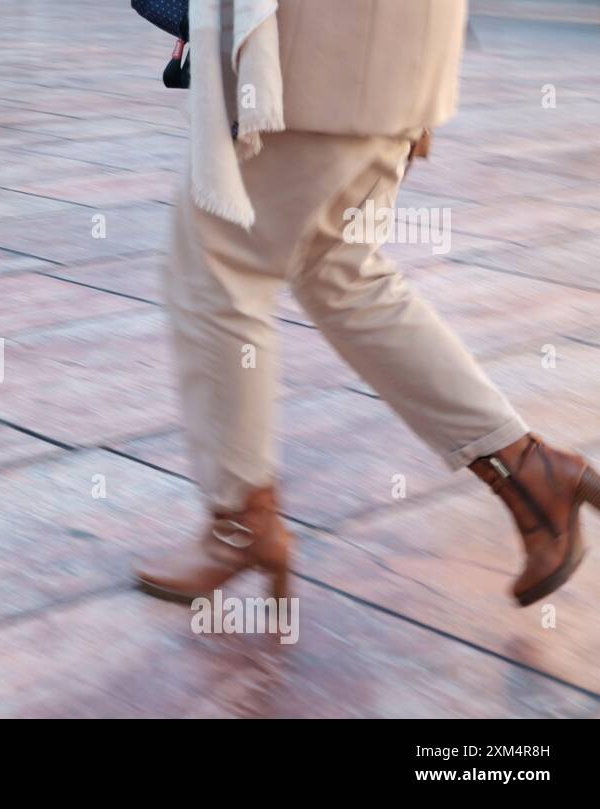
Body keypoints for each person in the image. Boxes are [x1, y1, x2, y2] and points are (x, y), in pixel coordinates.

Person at [133, 0, 598, 607]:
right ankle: (529, 474)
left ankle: (241, 525)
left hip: (322, 50)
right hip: (386, 58)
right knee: (342, 272)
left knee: (215, 268)